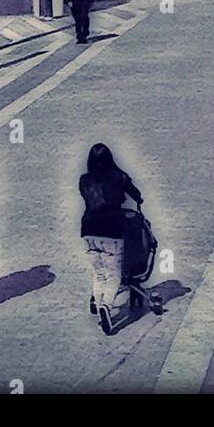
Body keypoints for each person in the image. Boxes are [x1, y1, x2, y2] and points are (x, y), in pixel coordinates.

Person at [78, 142, 143, 336]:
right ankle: (106, 305)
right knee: (113, 273)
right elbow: (136, 194)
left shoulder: (84, 180)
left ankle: (99, 306)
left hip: (89, 230)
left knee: (98, 273)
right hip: (112, 230)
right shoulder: (119, 177)